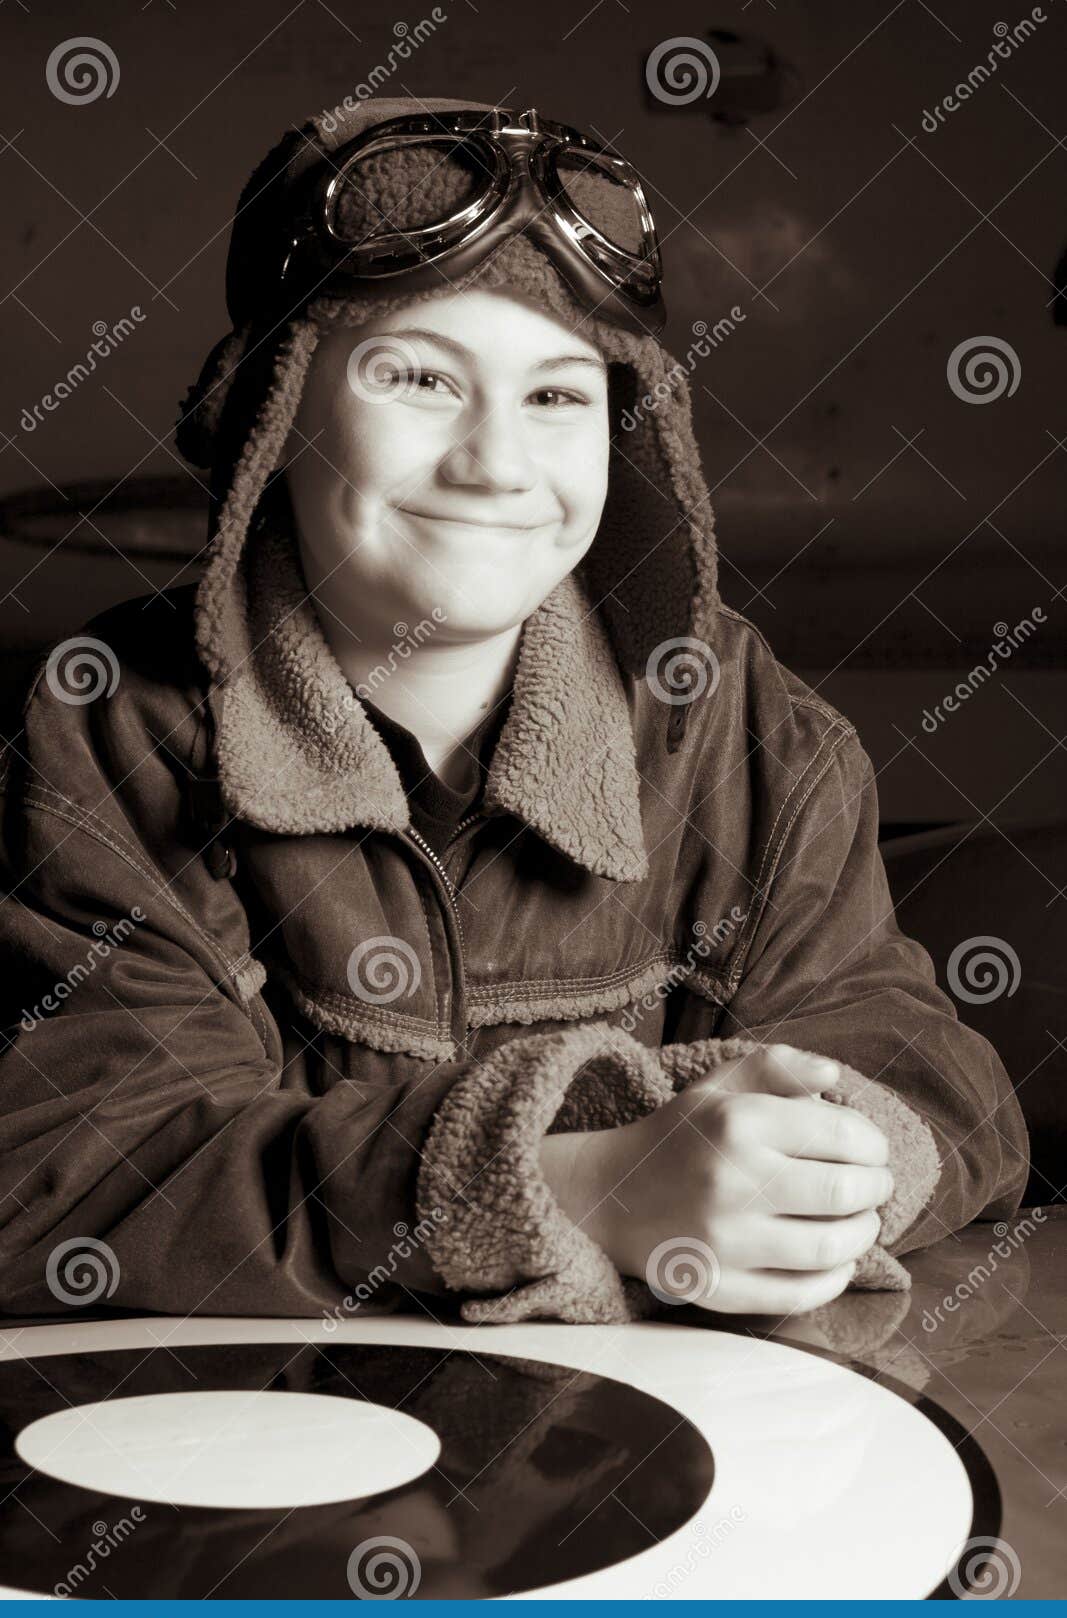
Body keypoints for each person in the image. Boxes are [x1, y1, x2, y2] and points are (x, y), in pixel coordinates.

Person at [0, 95, 1028, 1326]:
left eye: (555, 397)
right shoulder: (113, 729)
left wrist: (828, 1171)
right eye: (419, 377)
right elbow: (66, 1182)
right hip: (270, 1473)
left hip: (658, 1469)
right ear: (282, 417)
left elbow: (933, 1077)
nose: (493, 463)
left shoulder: (738, 723)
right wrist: (579, 1185)